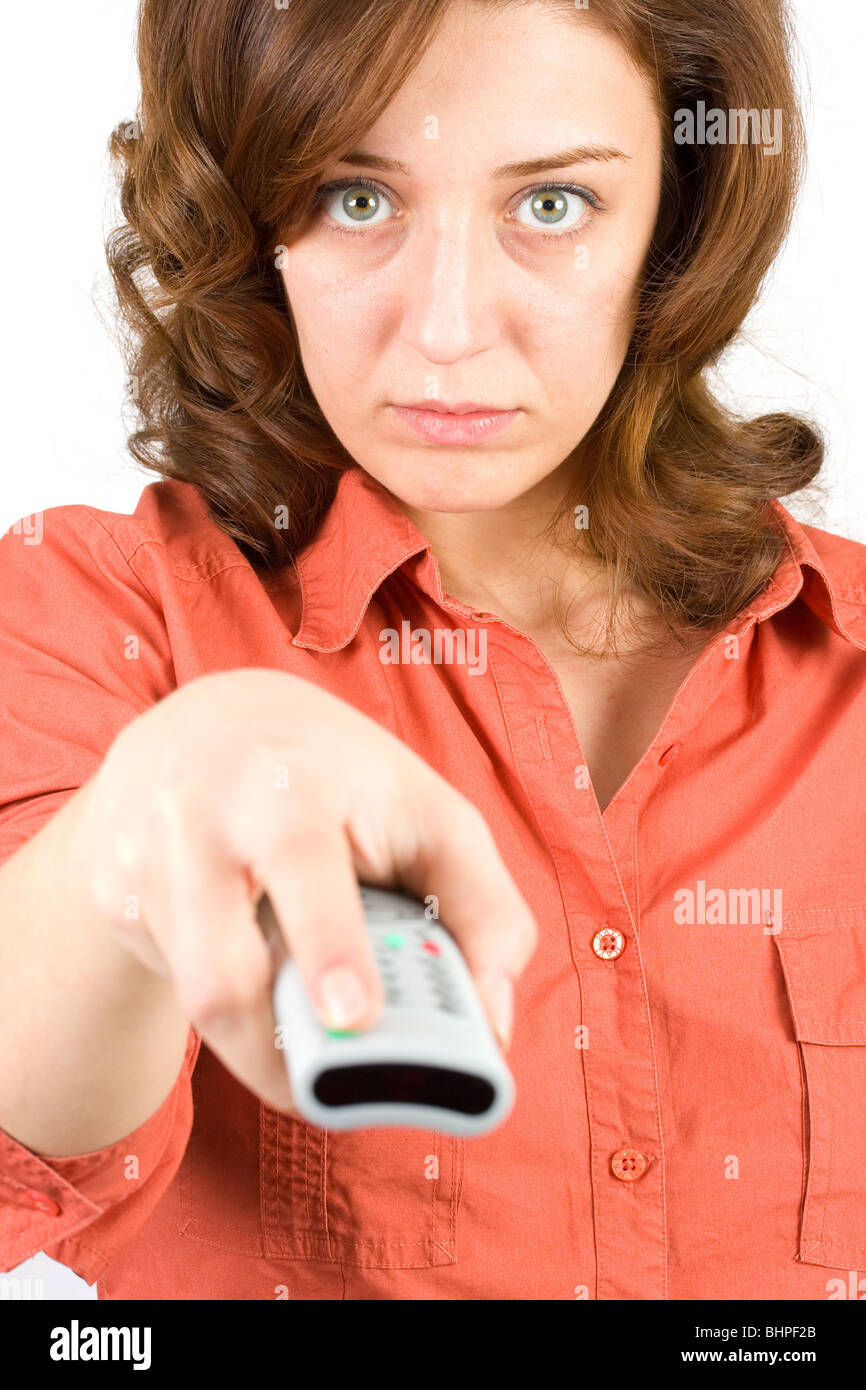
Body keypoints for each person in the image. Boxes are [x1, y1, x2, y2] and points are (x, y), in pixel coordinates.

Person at [1, 0, 864, 1302]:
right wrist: (136, 822)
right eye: (355, 197)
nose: (449, 329)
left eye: (555, 203)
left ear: (671, 223)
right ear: (251, 216)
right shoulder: (88, 615)